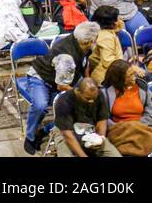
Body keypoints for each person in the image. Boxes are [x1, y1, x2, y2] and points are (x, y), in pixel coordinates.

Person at [19, 21, 99, 154]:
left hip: (66, 77)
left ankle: (47, 129)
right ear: (88, 41)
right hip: (42, 78)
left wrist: (87, 81)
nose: (97, 41)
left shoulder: (81, 42)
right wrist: (80, 94)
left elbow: (85, 63)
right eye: (95, 39)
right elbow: (61, 85)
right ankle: (30, 136)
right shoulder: (67, 56)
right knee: (40, 105)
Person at [52, 77, 121, 158]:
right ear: (77, 91)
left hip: (90, 130)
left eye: (93, 98)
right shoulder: (64, 101)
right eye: (87, 98)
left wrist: (99, 139)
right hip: (66, 132)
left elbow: (102, 120)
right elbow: (67, 135)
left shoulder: (99, 95)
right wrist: (83, 155)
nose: (91, 101)